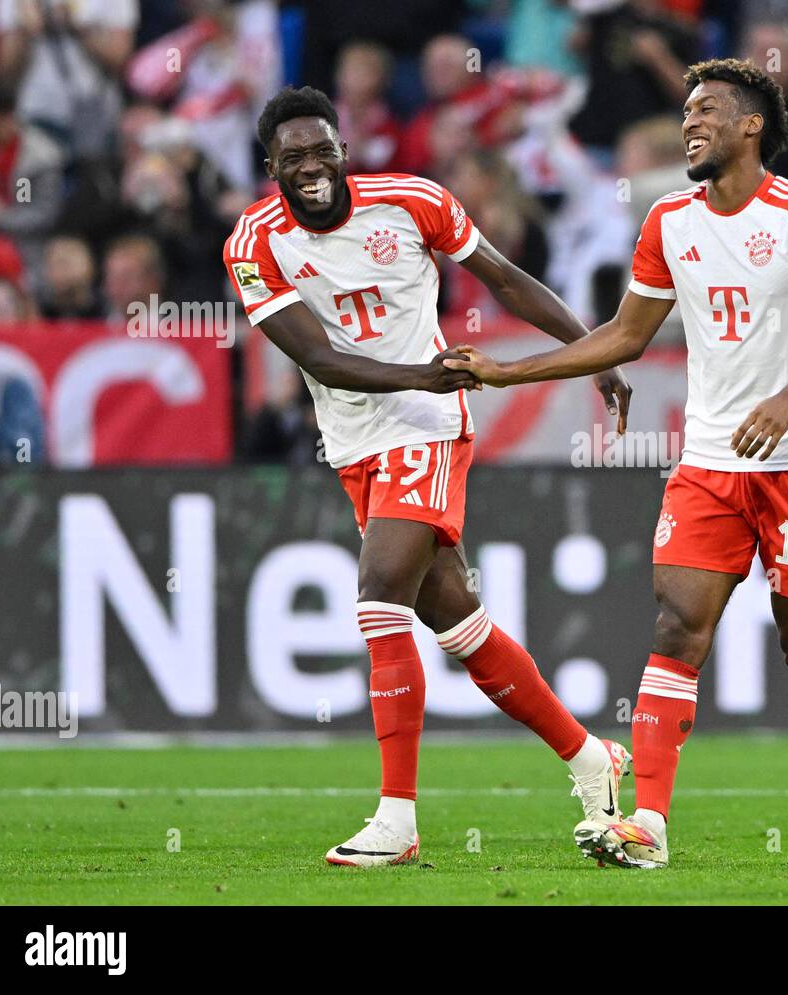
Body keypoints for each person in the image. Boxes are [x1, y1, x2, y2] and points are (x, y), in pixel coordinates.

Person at [447, 58, 788, 869]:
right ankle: (647, 823)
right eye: (686, 112)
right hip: (710, 463)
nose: (690, 123)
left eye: (708, 110)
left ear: (752, 126)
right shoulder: (667, 221)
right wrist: (511, 371)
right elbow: (625, 335)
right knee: (677, 626)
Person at [222, 86, 633, 868]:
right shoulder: (253, 241)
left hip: (428, 430)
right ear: (269, 166)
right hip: (355, 439)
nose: (312, 166)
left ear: (345, 151)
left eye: (323, 150)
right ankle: (590, 758)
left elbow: (508, 278)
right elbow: (318, 355)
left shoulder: (411, 200)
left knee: (379, 595)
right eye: (293, 156)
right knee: (456, 621)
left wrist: (596, 351)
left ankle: (398, 818)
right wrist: (420, 371)